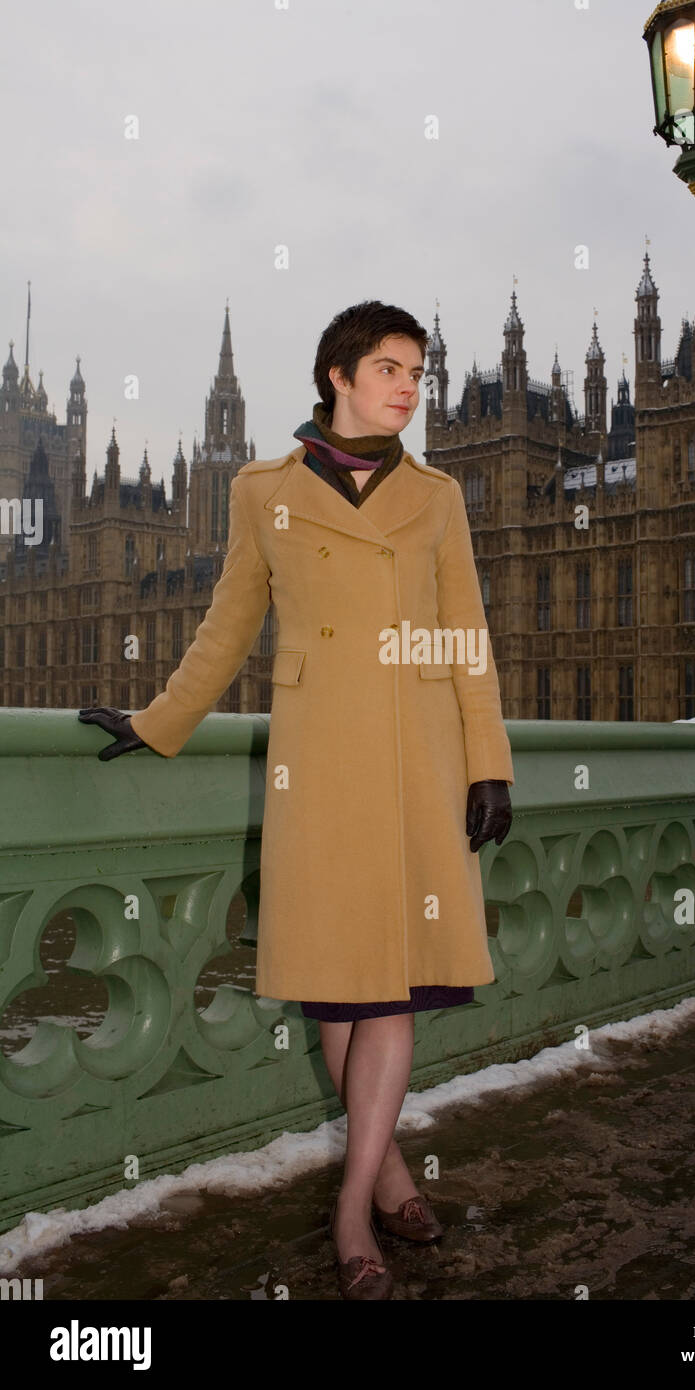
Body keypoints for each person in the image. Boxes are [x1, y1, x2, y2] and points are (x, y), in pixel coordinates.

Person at [80, 300, 514, 1300]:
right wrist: (158, 721)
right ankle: (392, 1169)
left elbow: (466, 637)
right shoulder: (260, 490)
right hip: (317, 764)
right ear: (337, 376)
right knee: (340, 983)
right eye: (391, 368)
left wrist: (486, 762)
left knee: (393, 989)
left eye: (419, 372)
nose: (409, 386)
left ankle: (351, 1207)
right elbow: (228, 626)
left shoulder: (438, 497)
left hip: (416, 759)